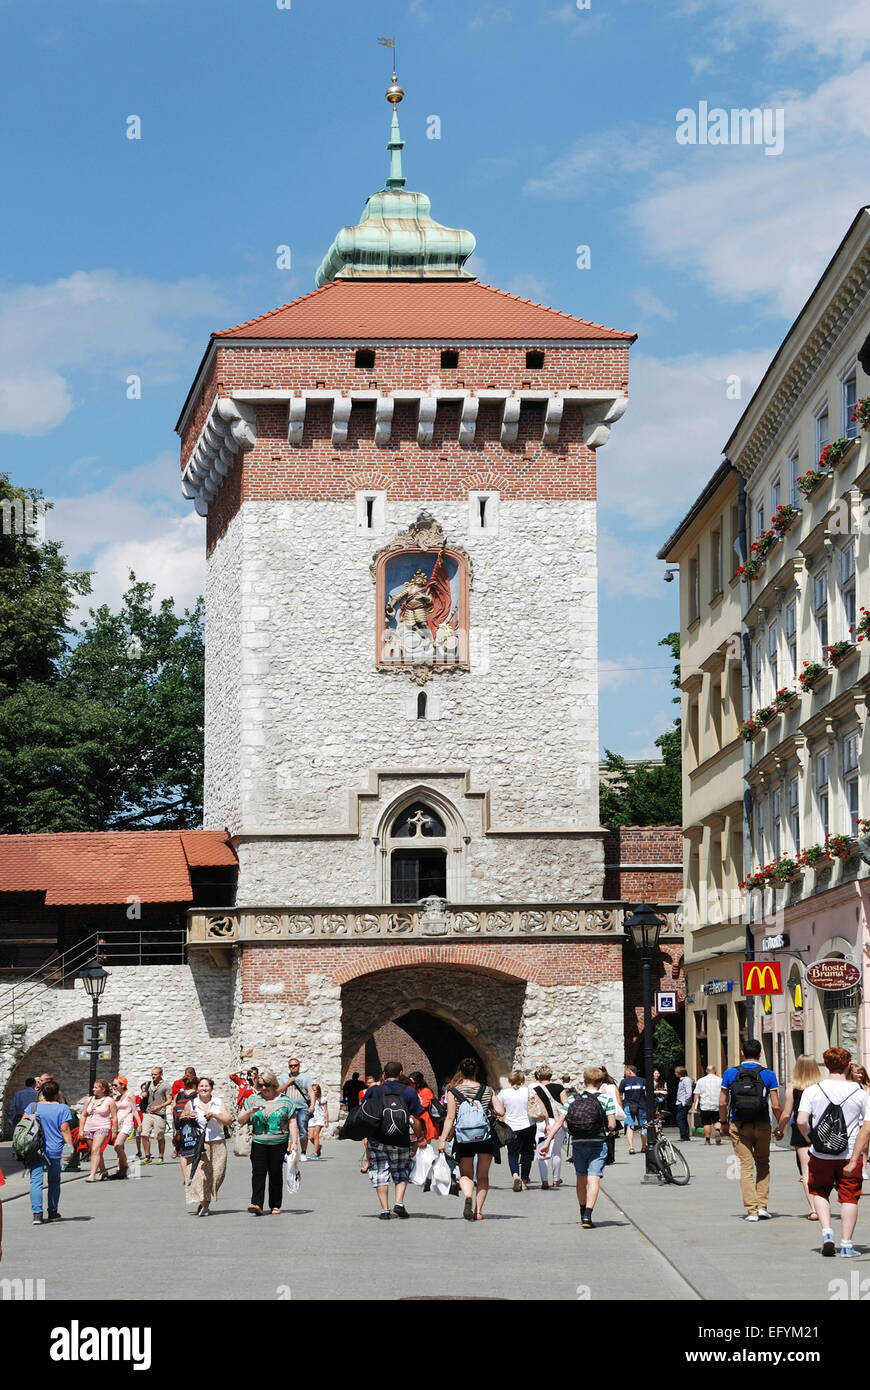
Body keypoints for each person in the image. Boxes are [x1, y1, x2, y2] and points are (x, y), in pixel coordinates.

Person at [797, 1046, 870, 1257]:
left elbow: (802, 1120)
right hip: (849, 1153)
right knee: (849, 1197)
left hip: (820, 1154)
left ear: (826, 1065)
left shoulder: (813, 1090)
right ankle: (847, 1244)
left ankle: (827, 1233)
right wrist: (856, 1158)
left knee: (819, 1190)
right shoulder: (860, 1092)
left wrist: (812, 1139)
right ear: (848, 1065)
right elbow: (867, 1126)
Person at [540, 1065, 617, 1229]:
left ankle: (582, 1212)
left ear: (584, 1081)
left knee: (581, 1178)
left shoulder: (572, 1099)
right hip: (598, 1143)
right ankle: (588, 1215)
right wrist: (610, 1128)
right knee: (594, 1178)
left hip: (578, 1143)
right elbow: (611, 1124)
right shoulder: (606, 1100)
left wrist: (547, 1143)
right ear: (600, 1082)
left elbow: (559, 1122)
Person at [719, 1039, 782, 1221]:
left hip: (738, 1124)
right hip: (762, 1123)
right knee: (763, 1164)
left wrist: (723, 1121)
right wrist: (780, 1125)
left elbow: (723, 1101)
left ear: (741, 1053)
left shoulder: (731, 1073)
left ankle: (752, 1210)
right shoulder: (768, 1075)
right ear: (760, 1054)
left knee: (745, 1167)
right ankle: (762, 1206)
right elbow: (776, 1105)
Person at [439, 1057, 506, 1222]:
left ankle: (468, 1196)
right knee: (482, 1176)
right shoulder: (487, 1089)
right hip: (484, 1137)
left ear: (460, 1071)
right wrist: (488, 1106)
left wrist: (442, 1140)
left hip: (464, 1138)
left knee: (465, 1174)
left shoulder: (453, 1091)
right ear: (476, 1071)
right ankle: (478, 1211)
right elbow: (500, 1110)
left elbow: (450, 1118)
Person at [363, 1061, 427, 1220]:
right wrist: (420, 1138)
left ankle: (385, 1210)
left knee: (379, 1172)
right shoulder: (409, 1092)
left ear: (384, 1074)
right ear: (401, 1073)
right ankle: (399, 1203)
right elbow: (416, 1118)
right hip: (401, 1139)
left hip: (377, 1139)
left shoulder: (374, 1091)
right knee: (401, 1172)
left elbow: (364, 1111)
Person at [238, 1070, 301, 1215]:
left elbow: (292, 1121)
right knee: (258, 1173)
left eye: (267, 1085)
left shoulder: (285, 1101)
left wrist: (294, 1141)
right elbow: (240, 1119)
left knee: (275, 1173)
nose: (264, 1088)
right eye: (260, 1085)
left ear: (273, 1084)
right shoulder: (253, 1100)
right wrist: (249, 1112)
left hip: (279, 1143)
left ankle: (275, 1205)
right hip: (259, 1141)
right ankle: (256, 1203)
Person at [774, 1054, 822, 1220]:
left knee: (806, 1170)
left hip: (801, 1130)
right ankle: (823, 1203)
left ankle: (814, 1209)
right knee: (822, 1168)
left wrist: (779, 1129)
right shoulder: (821, 1086)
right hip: (821, 1129)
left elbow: (787, 1114)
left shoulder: (792, 1087)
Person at [27, 1079, 74, 1225]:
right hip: (55, 1149)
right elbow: (65, 1129)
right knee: (54, 1181)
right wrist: (70, 1146)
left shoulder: (32, 1107)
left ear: (42, 1092)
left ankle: (37, 1214)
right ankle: (52, 1212)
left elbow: (23, 1125)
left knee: (36, 1181)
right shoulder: (62, 1109)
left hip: (35, 1149)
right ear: (57, 1093)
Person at [188, 1077, 232, 1215]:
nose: (204, 1088)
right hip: (200, 1144)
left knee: (217, 1175)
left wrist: (214, 1115)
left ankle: (205, 1202)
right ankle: (204, 1204)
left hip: (218, 1142)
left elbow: (228, 1120)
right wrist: (188, 1115)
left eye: (206, 1086)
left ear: (211, 1088)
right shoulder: (192, 1103)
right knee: (201, 1175)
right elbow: (182, 1118)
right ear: (197, 1089)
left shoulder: (218, 1102)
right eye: (201, 1086)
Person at [497, 1069, 536, 1192]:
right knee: (527, 1153)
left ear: (510, 1080)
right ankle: (524, 1180)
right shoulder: (529, 1091)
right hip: (528, 1125)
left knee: (512, 1153)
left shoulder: (503, 1093)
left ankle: (515, 1175)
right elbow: (536, 1105)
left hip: (511, 1126)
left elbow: (498, 1109)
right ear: (522, 1080)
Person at [531, 1068, 568, 1189]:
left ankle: (544, 1180)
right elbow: (566, 1104)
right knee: (556, 1152)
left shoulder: (534, 1090)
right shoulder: (559, 1087)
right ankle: (556, 1179)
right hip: (556, 1121)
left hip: (540, 1122)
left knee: (542, 1151)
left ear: (538, 1076)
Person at [277, 1057, 316, 1158]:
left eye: (295, 1065)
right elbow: (279, 1091)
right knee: (287, 1131)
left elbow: (311, 1091)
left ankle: (303, 1153)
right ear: (288, 1067)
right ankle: (289, 1152)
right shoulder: (284, 1077)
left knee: (303, 1130)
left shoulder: (305, 1077)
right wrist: (287, 1083)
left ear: (299, 1066)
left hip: (302, 1108)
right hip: (289, 1108)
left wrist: (312, 1105)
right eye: (291, 1066)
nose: (293, 1067)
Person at [81, 1079, 117, 1182]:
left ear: (103, 1089)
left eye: (96, 1088)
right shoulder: (89, 1100)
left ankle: (92, 1174)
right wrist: (81, 1130)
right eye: (93, 1087)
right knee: (95, 1151)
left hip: (102, 1126)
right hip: (89, 1127)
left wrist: (114, 1131)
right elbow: (83, 1115)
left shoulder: (109, 1101)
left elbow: (114, 1117)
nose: (93, 1089)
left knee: (95, 1150)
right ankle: (103, 1171)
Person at [172, 1072, 200, 1184]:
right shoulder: (196, 1095)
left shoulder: (180, 1095)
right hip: (194, 1126)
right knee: (196, 1151)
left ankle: (185, 1177)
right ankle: (194, 1174)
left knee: (183, 1153)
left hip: (181, 1126)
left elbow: (174, 1107)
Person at [141, 1067, 172, 1164]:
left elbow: (169, 1100)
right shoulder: (148, 1084)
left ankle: (161, 1156)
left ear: (161, 1074)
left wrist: (159, 1106)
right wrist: (144, 1094)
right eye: (152, 1074)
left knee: (159, 1136)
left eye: (155, 1074)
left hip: (160, 1114)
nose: (153, 1076)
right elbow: (144, 1094)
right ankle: (147, 1156)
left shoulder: (166, 1085)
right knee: (144, 1134)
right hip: (148, 1113)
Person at [109, 1077, 138, 1179]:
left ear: (123, 1085)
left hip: (127, 1122)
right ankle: (120, 1169)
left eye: (116, 1085)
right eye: (113, 1085)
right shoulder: (117, 1097)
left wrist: (139, 1124)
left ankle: (124, 1166)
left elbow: (134, 1110)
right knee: (120, 1147)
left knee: (117, 1145)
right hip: (118, 1124)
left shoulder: (129, 1095)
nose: (114, 1087)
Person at [598, 1065, 625, 1166]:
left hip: (605, 1112)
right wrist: (621, 1111)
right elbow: (619, 1100)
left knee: (605, 1134)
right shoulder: (613, 1086)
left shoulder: (602, 1087)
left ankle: (606, 1156)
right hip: (613, 1111)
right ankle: (611, 1156)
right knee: (612, 1134)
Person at [619, 1066, 648, 1154]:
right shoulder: (643, 1080)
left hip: (628, 1105)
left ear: (630, 1071)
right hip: (642, 1105)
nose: (625, 1073)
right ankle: (643, 1146)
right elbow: (647, 1093)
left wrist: (621, 1105)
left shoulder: (624, 1081)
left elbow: (620, 1095)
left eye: (625, 1071)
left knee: (629, 1126)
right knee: (643, 1126)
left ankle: (631, 1147)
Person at [693, 1064, 724, 1145]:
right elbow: (724, 1092)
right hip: (717, 1105)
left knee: (706, 1123)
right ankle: (717, 1131)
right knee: (717, 1120)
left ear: (706, 1071)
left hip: (705, 1105)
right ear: (715, 1071)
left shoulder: (700, 1080)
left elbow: (696, 1094)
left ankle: (707, 1140)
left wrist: (695, 1105)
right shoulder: (720, 1080)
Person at [308, 1085, 328, 1159]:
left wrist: (326, 1121)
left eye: (314, 1090)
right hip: (312, 1118)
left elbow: (326, 1111)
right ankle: (318, 1146)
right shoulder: (309, 1099)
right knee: (310, 1137)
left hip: (320, 1118)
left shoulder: (322, 1099)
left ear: (318, 1091)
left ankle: (315, 1153)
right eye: (312, 1090)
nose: (313, 1092)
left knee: (316, 1135)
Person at [674, 1066, 694, 1142]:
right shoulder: (682, 1080)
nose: (675, 1074)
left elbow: (688, 1092)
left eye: (676, 1072)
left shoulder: (686, 1080)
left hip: (683, 1103)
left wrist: (684, 1102)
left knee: (679, 1119)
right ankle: (685, 1135)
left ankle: (684, 1136)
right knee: (683, 1119)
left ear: (680, 1073)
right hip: (681, 1102)